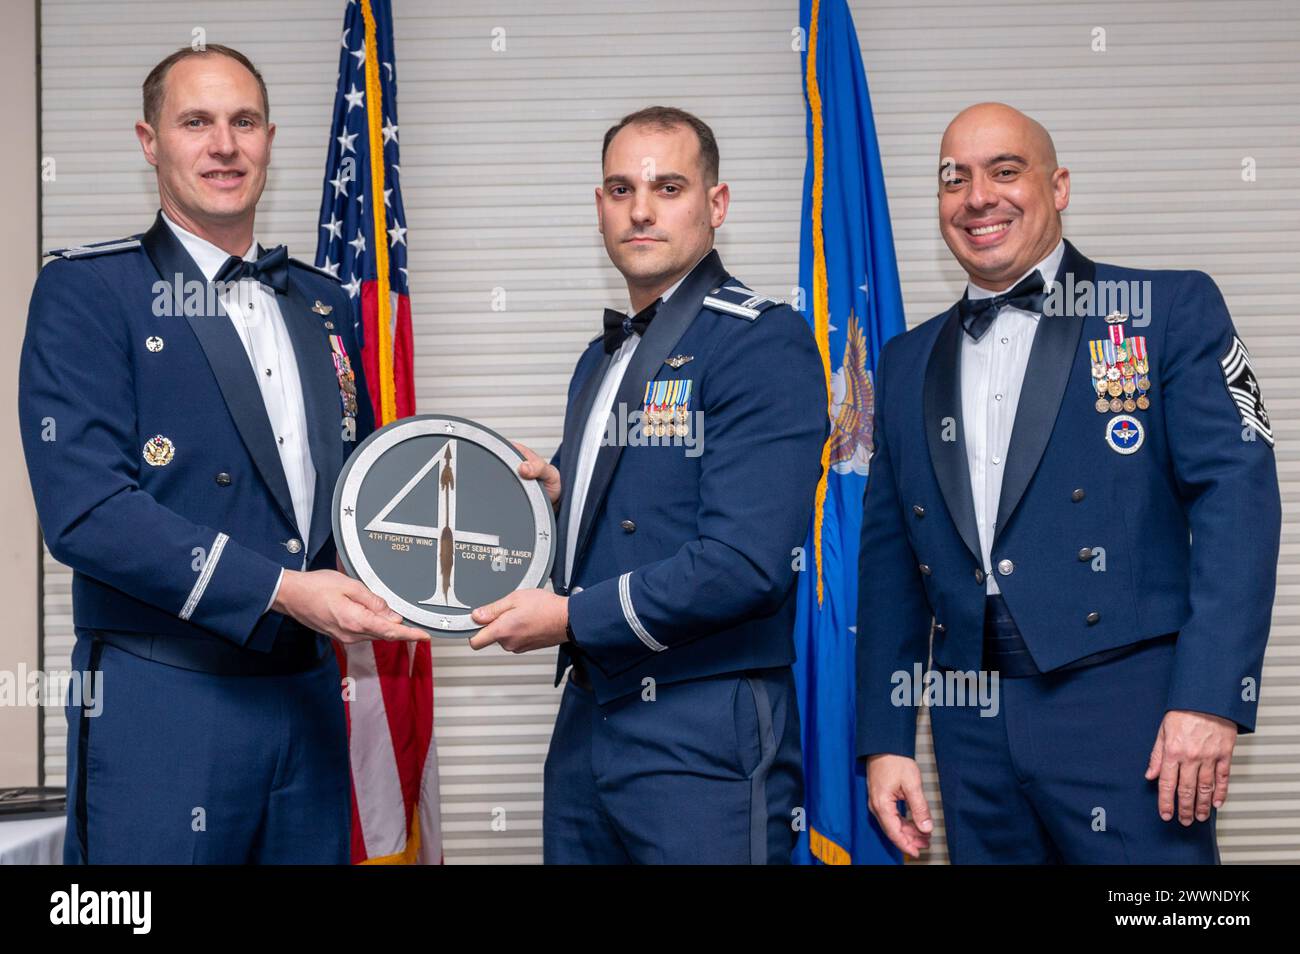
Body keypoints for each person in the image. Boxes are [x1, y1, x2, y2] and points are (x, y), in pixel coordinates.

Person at [19, 44, 427, 864]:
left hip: (306, 697)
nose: (224, 145)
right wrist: (280, 590)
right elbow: (88, 515)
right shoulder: (89, 291)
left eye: (243, 122)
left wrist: (500, 510)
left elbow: (361, 491)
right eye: (195, 122)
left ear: (270, 138)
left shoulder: (322, 302)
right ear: (150, 141)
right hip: (161, 700)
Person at [854, 102, 1281, 863]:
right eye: (955, 179)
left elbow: (1237, 507)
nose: (977, 196)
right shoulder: (906, 359)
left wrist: (1209, 698)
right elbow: (891, 564)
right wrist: (885, 740)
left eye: (1005, 171)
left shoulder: (1166, 310)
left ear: (1059, 187)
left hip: (1133, 714)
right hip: (970, 722)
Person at [467, 106, 828, 863]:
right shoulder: (601, 359)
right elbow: (641, 506)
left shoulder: (760, 340)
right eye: (620, 188)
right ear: (599, 205)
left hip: (703, 735)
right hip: (588, 726)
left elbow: (745, 565)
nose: (640, 209)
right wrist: (552, 503)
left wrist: (566, 617)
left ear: (715, 204)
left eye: (668, 186)